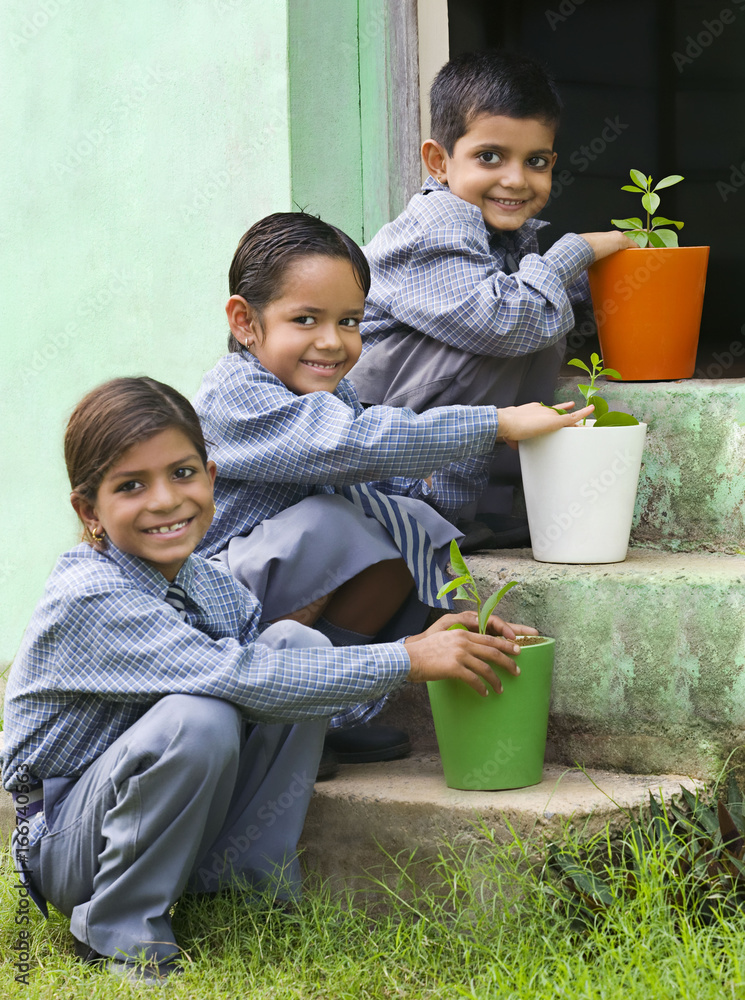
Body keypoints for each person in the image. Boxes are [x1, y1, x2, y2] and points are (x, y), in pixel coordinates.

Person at [2, 376, 543, 985]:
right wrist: (408, 659)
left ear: (210, 475)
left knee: (294, 643)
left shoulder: (202, 580)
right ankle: (120, 930)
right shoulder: (91, 594)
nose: (165, 500)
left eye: (182, 474)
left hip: (147, 810)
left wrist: (429, 628)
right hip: (63, 838)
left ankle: (241, 887)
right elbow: (239, 676)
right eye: (131, 486)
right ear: (88, 511)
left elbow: (283, 665)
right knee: (200, 716)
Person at [193, 211, 593, 766]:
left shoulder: (333, 396)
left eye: (351, 321)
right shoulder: (233, 395)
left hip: (274, 600)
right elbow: (346, 444)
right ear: (244, 321)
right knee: (333, 524)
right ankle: (263, 716)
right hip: (211, 618)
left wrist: (452, 608)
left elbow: (390, 488)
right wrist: (494, 423)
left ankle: (317, 716)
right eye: (306, 319)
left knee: (407, 524)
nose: (332, 342)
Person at [346, 50, 636, 542]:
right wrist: (577, 251)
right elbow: (499, 321)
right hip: (378, 449)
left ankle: (484, 506)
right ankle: (425, 506)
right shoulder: (436, 221)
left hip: (432, 429)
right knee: (518, 319)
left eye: (536, 161)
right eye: (489, 157)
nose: (516, 179)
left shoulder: (501, 234)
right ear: (439, 161)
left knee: (541, 313)